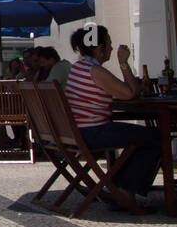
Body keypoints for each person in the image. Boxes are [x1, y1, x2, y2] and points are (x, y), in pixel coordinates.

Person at [64, 25, 160, 209]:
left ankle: (118, 186)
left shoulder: (78, 68)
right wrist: (123, 62)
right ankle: (125, 191)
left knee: (140, 137)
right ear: (99, 48)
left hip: (78, 131)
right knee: (154, 137)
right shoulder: (95, 71)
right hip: (92, 131)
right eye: (109, 44)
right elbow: (130, 93)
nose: (111, 48)